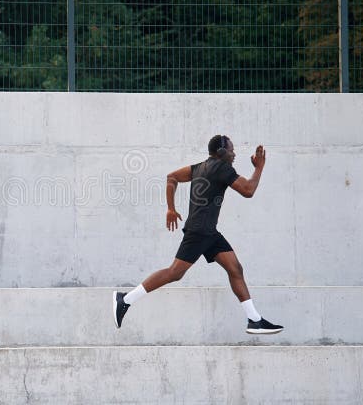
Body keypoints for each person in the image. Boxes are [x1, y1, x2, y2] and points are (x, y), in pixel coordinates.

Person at [112, 135, 283, 334]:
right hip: (200, 231)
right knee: (174, 273)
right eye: (232, 150)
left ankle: (254, 320)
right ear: (221, 152)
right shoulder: (222, 168)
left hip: (209, 232)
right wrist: (259, 168)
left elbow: (172, 177)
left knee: (235, 268)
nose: (234, 154)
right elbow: (248, 190)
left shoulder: (199, 167)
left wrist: (170, 208)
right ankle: (124, 300)